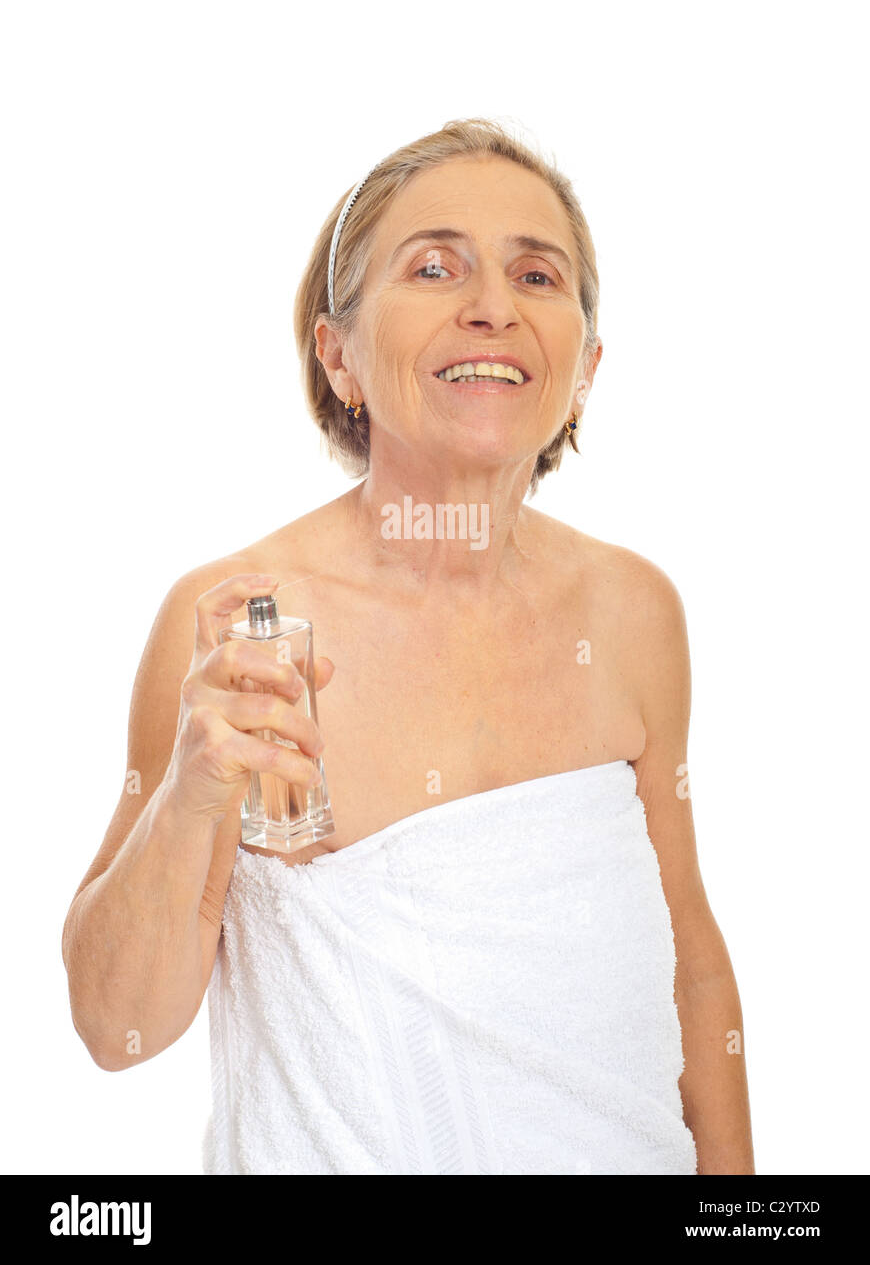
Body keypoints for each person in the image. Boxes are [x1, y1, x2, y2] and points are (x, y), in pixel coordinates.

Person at [62, 117, 754, 1175]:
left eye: (538, 274)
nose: (493, 305)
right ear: (337, 354)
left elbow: (691, 960)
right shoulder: (241, 625)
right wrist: (191, 796)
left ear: (586, 367)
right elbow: (119, 1030)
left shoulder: (634, 611)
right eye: (434, 266)